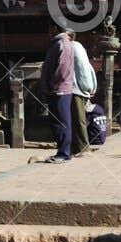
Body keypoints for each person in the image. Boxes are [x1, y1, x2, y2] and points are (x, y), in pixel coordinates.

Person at [39, 25, 77, 163]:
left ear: (54, 29)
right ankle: (63, 151)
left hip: (59, 89)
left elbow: (62, 70)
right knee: (60, 121)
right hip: (60, 89)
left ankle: (64, 153)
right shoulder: (61, 44)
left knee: (61, 122)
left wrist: (52, 85)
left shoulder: (62, 44)